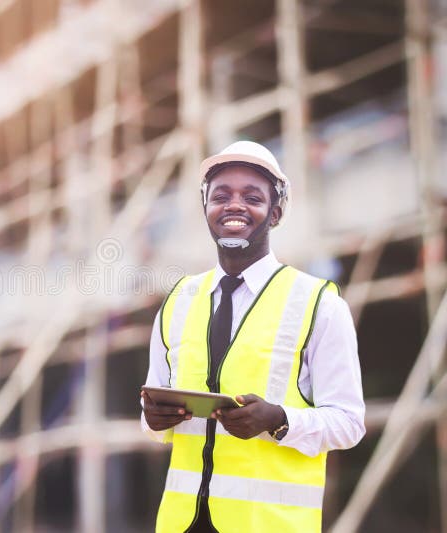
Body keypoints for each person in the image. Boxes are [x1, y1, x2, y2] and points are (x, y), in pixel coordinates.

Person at [140, 141, 365, 533]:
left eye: (252, 196)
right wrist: (152, 418)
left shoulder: (318, 304)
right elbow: (151, 408)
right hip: (181, 523)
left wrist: (278, 421)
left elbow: (349, 422)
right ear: (206, 208)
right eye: (221, 196)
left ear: (275, 212)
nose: (234, 205)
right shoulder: (176, 301)